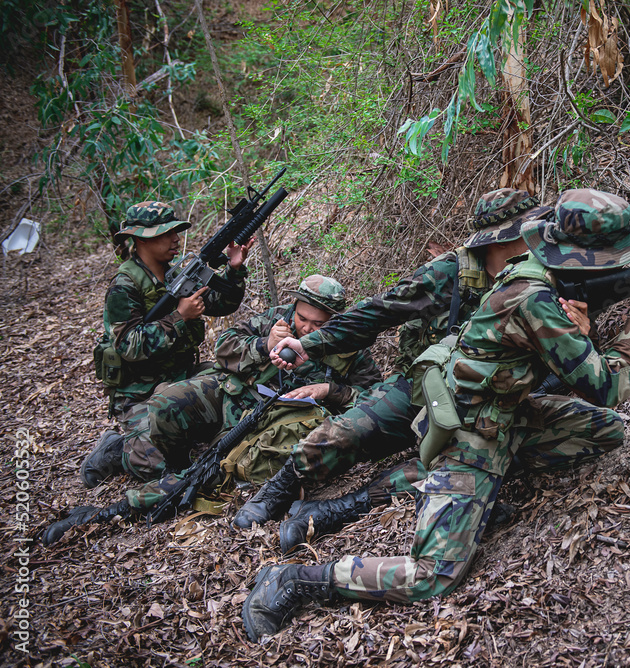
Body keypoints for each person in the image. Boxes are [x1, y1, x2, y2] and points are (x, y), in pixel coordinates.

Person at [241, 188, 630, 642]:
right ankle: (294, 581)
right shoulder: (526, 294)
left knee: (604, 431)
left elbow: (569, 371)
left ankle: (474, 489)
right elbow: (607, 388)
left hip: (503, 412)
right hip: (468, 431)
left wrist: (584, 333)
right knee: (433, 576)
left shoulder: (536, 276)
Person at [230, 189, 555, 530]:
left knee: (452, 465)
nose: (537, 239)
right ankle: (276, 490)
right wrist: (310, 343)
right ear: (502, 239)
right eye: (528, 230)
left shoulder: (542, 275)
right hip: (422, 386)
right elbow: (378, 312)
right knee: (349, 431)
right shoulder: (451, 273)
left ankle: (342, 509)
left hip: (487, 400)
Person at [40, 276, 382, 545]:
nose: (306, 328)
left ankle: (114, 510)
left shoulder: (348, 347)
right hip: (230, 394)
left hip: (270, 421)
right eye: (302, 317)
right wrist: (263, 345)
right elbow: (223, 347)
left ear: (334, 320)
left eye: (317, 323)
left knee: (214, 474)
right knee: (160, 409)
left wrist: (331, 391)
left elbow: (373, 401)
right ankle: (124, 452)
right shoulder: (276, 320)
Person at [81, 201, 252, 488]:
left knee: (238, 391)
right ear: (140, 239)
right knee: (163, 468)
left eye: (176, 232)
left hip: (181, 379)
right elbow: (129, 346)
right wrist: (179, 317)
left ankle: (187, 428)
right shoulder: (125, 286)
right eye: (165, 233)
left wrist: (235, 270)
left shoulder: (178, 274)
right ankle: (115, 451)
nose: (175, 239)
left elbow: (222, 304)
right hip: (140, 394)